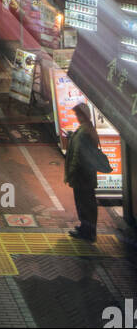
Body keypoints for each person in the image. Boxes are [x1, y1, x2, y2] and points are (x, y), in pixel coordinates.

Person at [64, 101, 103, 242]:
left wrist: (72, 173)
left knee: (85, 203)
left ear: (84, 115)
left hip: (83, 176)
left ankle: (88, 232)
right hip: (84, 176)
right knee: (84, 203)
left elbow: (78, 156)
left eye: (78, 114)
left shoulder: (85, 131)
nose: (77, 117)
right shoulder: (85, 129)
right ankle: (85, 228)